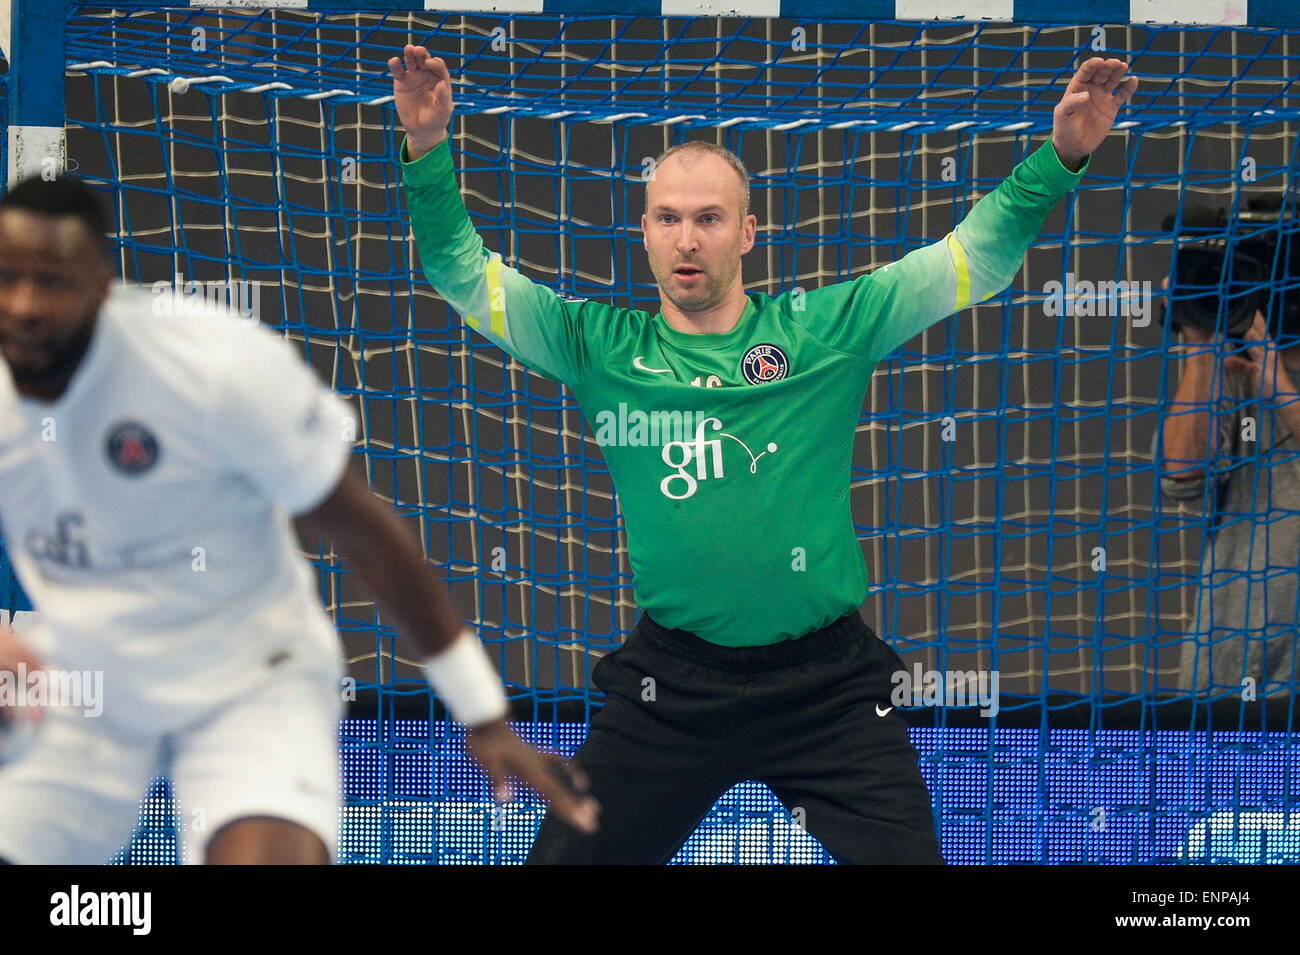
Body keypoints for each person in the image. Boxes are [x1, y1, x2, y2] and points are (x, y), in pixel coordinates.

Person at [390, 45, 1136, 864]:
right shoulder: (593, 344)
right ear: (643, 230)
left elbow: (970, 261)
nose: (687, 239)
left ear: (747, 231)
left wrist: (1063, 153)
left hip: (826, 688)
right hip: (668, 690)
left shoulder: (823, 331)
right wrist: (426, 147)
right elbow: (462, 274)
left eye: (708, 218)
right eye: (668, 217)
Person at [0, 174, 597, 865]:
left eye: (52, 282)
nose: (25, 305)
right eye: (7, 279)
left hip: (250, 678)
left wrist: (483, 712)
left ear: (102, 284)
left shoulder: (212, 367)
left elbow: (362, 532)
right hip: (82, 677)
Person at [1158, 286, 1300, 697]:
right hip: (1225, 674)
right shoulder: (1231, 381)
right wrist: (1200, 349)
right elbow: (1182, 475)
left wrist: (1279, 386)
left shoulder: (1269, 380)